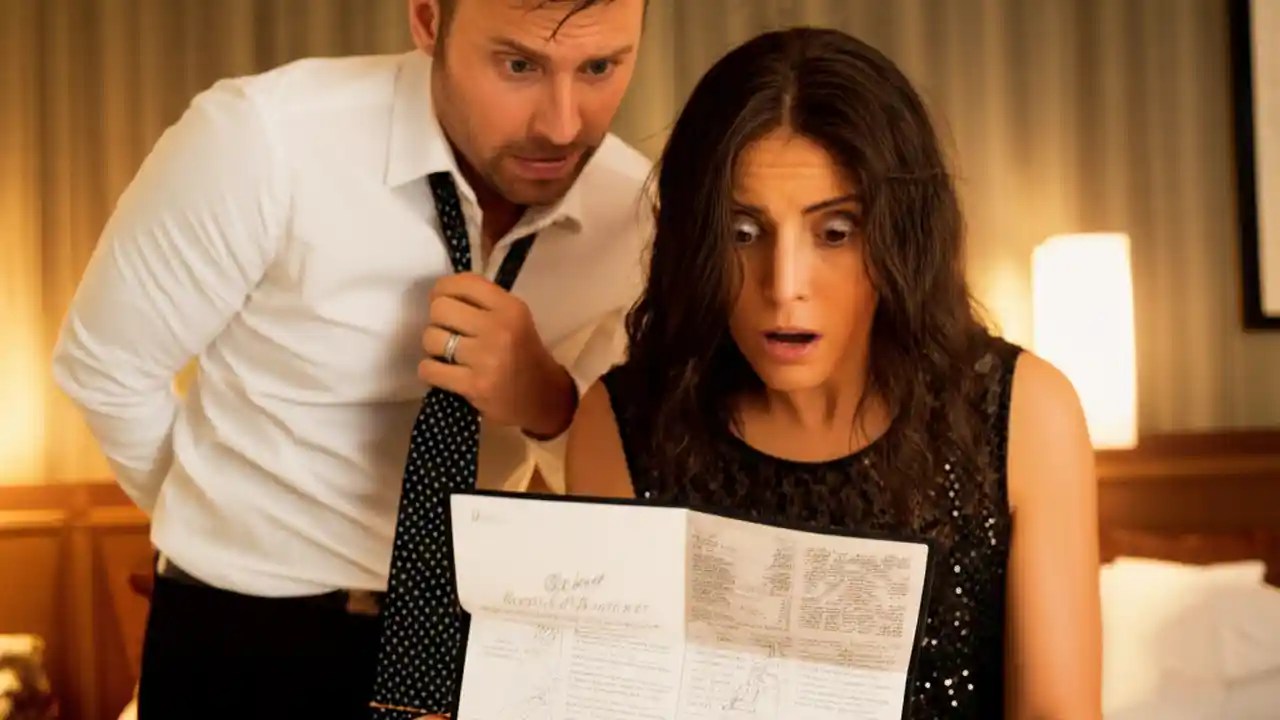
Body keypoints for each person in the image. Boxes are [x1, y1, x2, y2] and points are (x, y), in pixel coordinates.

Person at [51, 0, 650, 716]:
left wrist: (548, 404)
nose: (562, 124)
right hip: (243, 637)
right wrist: (221, 526)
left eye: (599, 67)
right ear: (429, 20)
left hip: (479, 650)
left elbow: (622, 489)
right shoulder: (264, 139)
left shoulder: (638, 216)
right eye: (518, 65)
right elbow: (105, 366)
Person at [565, 27, 1104, 719]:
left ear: (902, 238)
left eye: (835, 232)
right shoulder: (620, 426)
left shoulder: (1026, 413)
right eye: (742, 232)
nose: (784, 285)